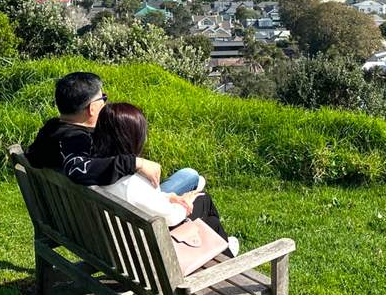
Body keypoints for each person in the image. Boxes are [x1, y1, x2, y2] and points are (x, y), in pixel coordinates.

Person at [91, 101, 238, 257]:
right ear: (132, 138)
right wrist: (185, 203)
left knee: (209, 218)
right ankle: (227, 255)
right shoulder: (132, 183)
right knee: (204, 202)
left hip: (116, 245)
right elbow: (171, 218)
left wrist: (169, 197)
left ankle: (223, 244)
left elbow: (144, 202)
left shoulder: (97, 167)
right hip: (147, 255)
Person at [27, 72, 162, 188]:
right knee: (184, 175)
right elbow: (79, 169)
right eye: (103, 98)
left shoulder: (51, 130)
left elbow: (33, 156)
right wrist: (135, 162)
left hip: (63, 209)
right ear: (92, 108)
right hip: (92, 214)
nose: (105, 102)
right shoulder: (76, 139)